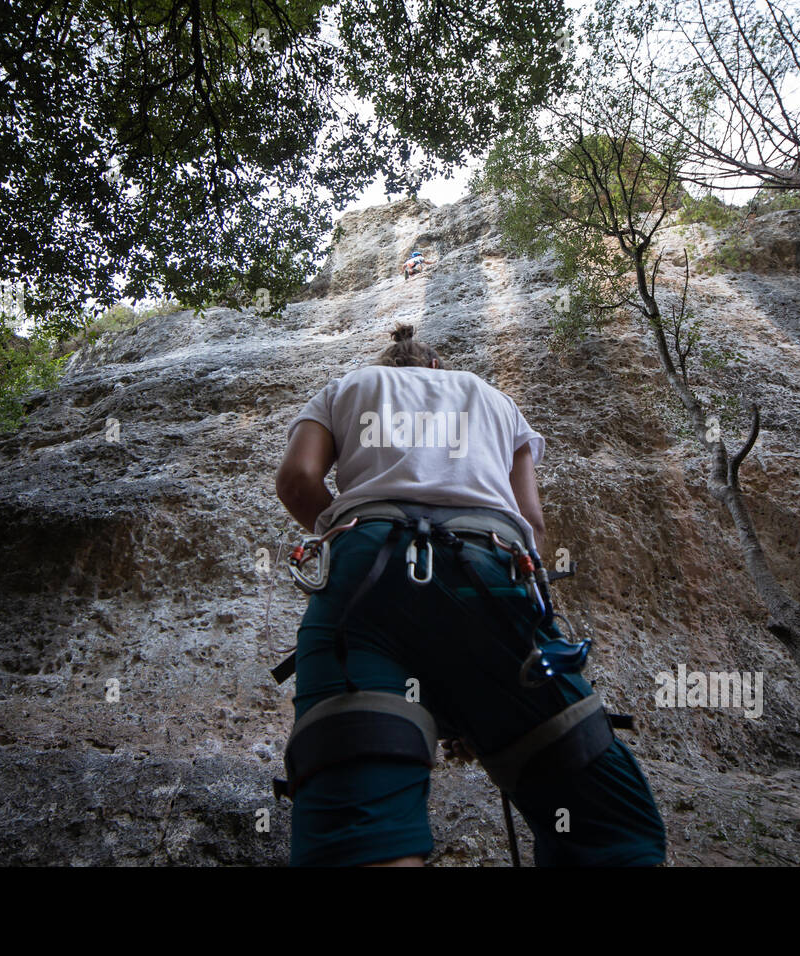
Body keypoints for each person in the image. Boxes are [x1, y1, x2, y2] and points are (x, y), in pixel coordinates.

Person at [274, 323, 666, 867]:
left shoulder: (347, 387)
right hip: (487, 567)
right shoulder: (493, 398)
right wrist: (483, 701)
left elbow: (296, 478)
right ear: (437, 367)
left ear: (386, 367)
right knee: (608, 824)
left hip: (363, 576)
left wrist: (349, 534)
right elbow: (531, 521)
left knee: (358, 826)